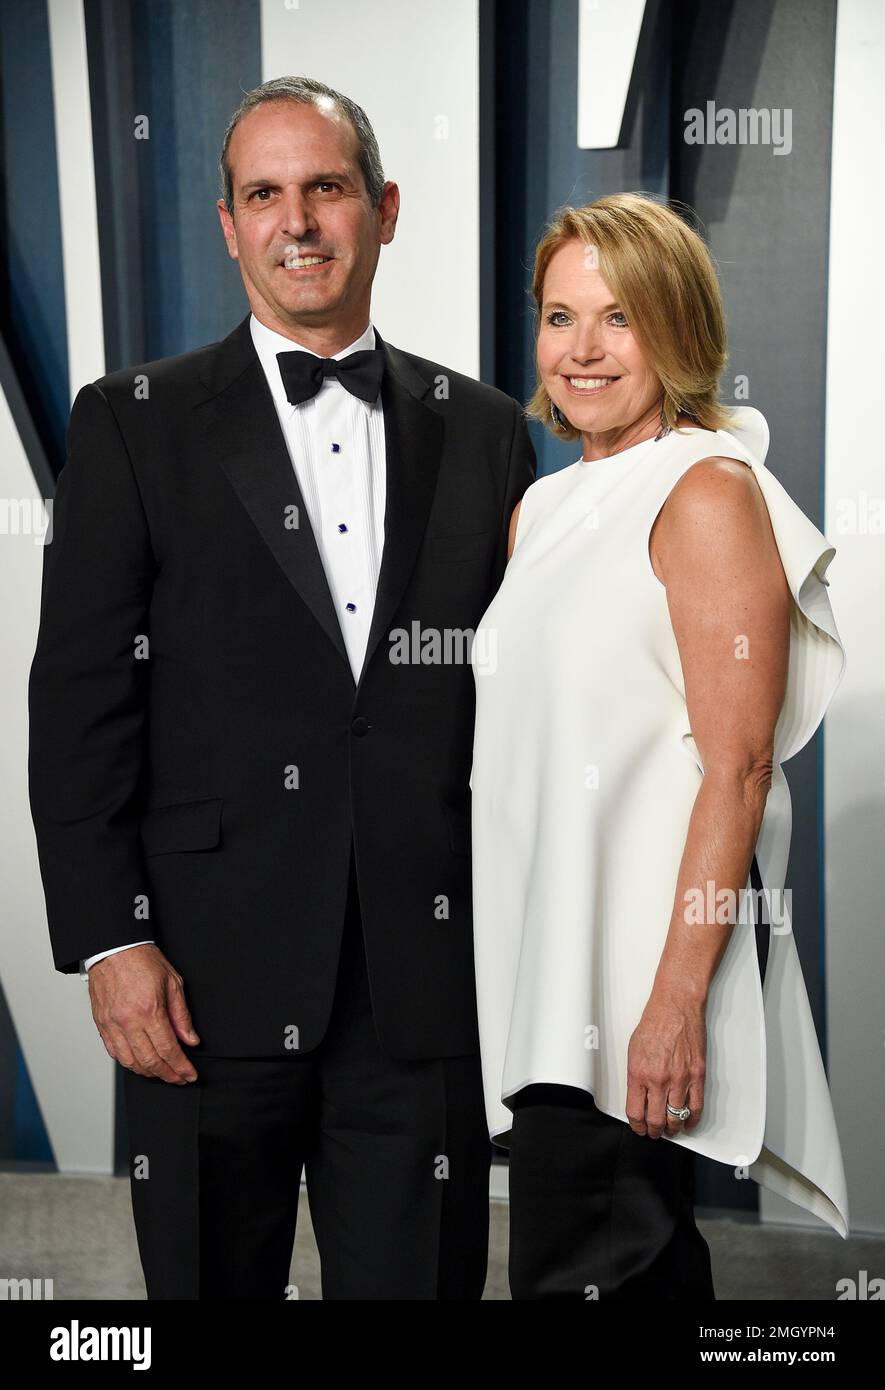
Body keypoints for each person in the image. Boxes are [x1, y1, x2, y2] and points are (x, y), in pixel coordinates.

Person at [28, 75, 535, 1300]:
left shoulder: (487, 429)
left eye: (327, 188)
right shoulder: (132, 422)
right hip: (199, 980)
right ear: (227, 223)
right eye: (265, 193)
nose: (296, 221)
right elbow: (80, 700)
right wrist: (112, 938)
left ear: (386, 207)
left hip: (424, 985)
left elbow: (519, 701)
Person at [469, 192, 849, 1301]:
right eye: (560, 316)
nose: (582, 350)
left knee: (613, 1274)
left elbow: (738, 767)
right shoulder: (545, 506)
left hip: (634, 990)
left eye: (620, 318)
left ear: (679, 329)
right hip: (549, 983)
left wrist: (677, 1002)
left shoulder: (707, 492)